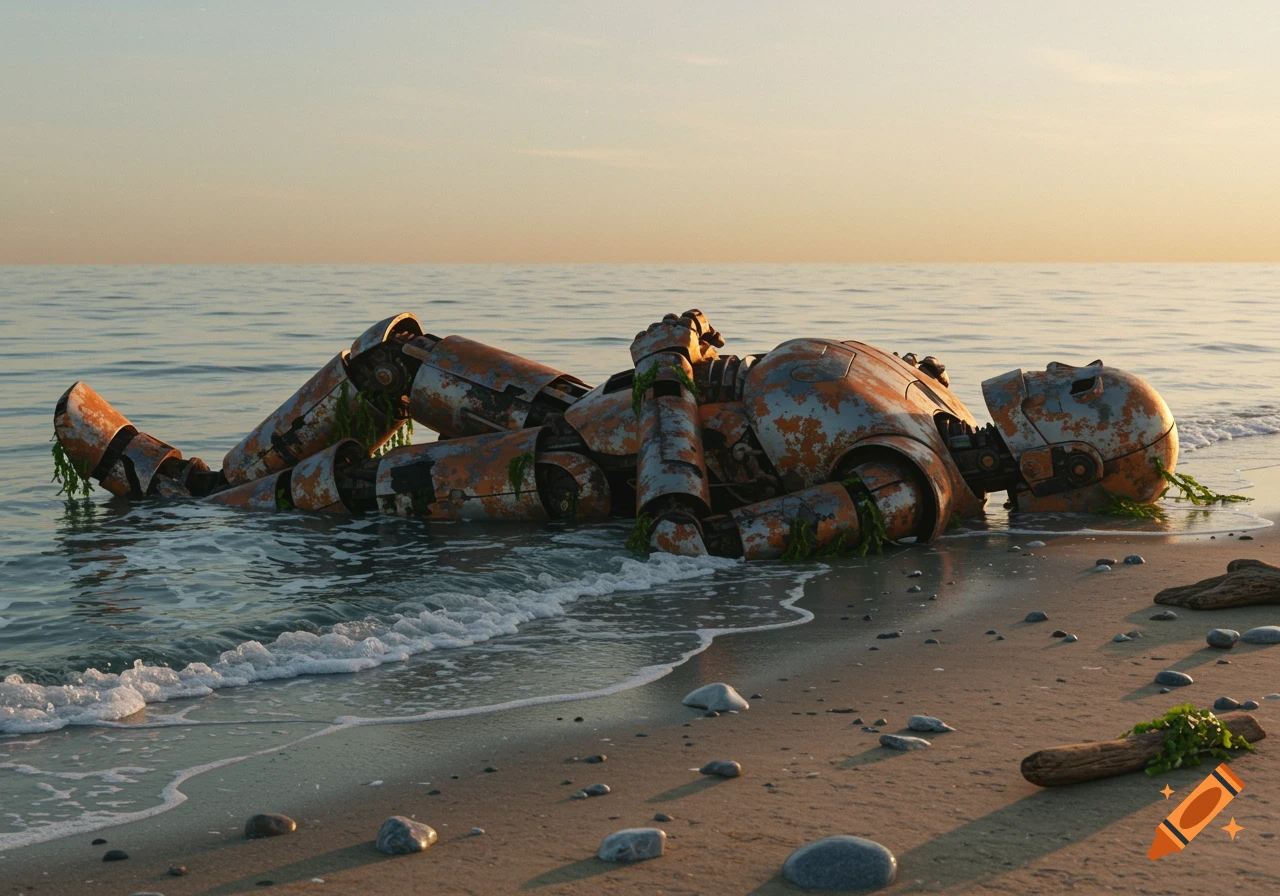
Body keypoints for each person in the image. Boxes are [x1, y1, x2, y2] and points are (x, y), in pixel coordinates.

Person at [53, 310, 1178, 560]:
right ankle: (204, 483)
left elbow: (687, 542)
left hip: (576, 467)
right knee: (389, 357)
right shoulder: (932, 400)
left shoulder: (907, 486)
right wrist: (676, 365)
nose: (1057, 368)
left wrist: (663, 372)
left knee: (352, 484)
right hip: (593, 410)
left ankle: (176, 506)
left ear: (1069, 459)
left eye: (1081, 386)